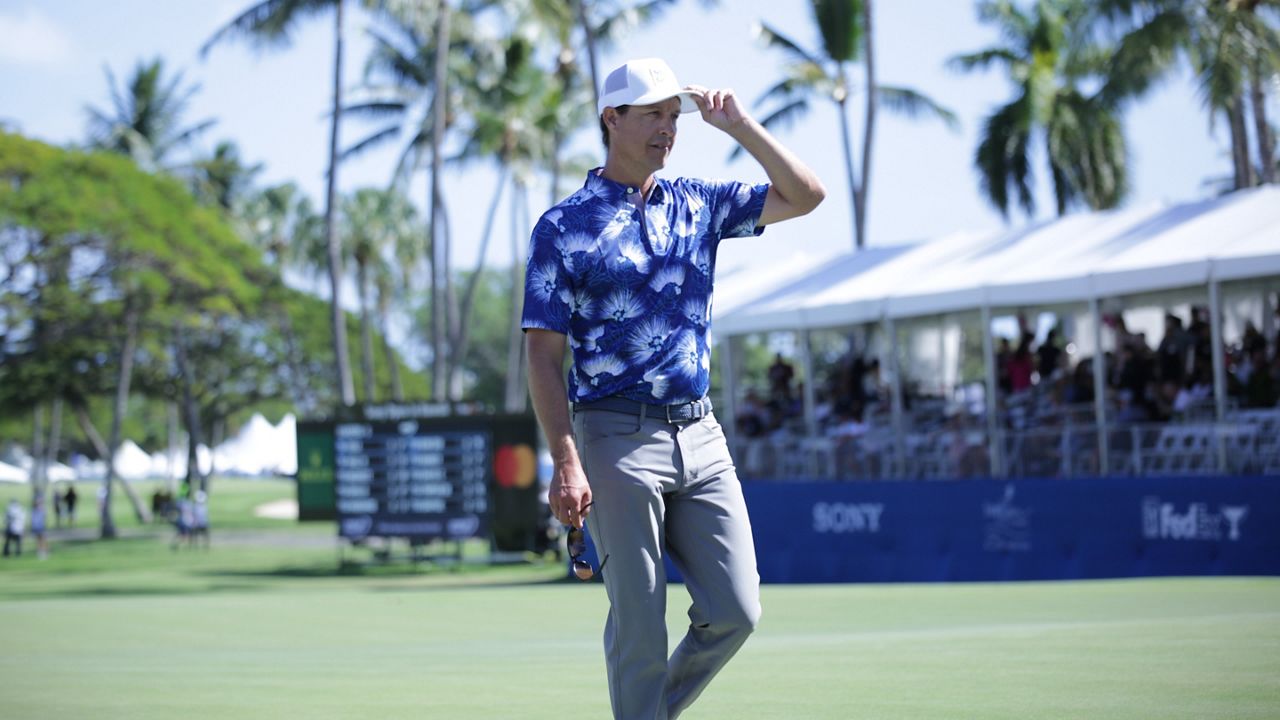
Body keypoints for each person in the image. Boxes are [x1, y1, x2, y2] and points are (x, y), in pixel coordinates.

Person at [523, 57, 825, 720]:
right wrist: (566, 461)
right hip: (613, 438)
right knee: (640, 623)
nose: (669, 127)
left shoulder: (699, 202)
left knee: (737, 609)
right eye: (654, 114)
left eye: (674, 115)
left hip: (702, 434)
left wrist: (740, 125)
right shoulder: (562, 227)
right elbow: (542, 357)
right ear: (612, 119)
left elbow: (806, 194)